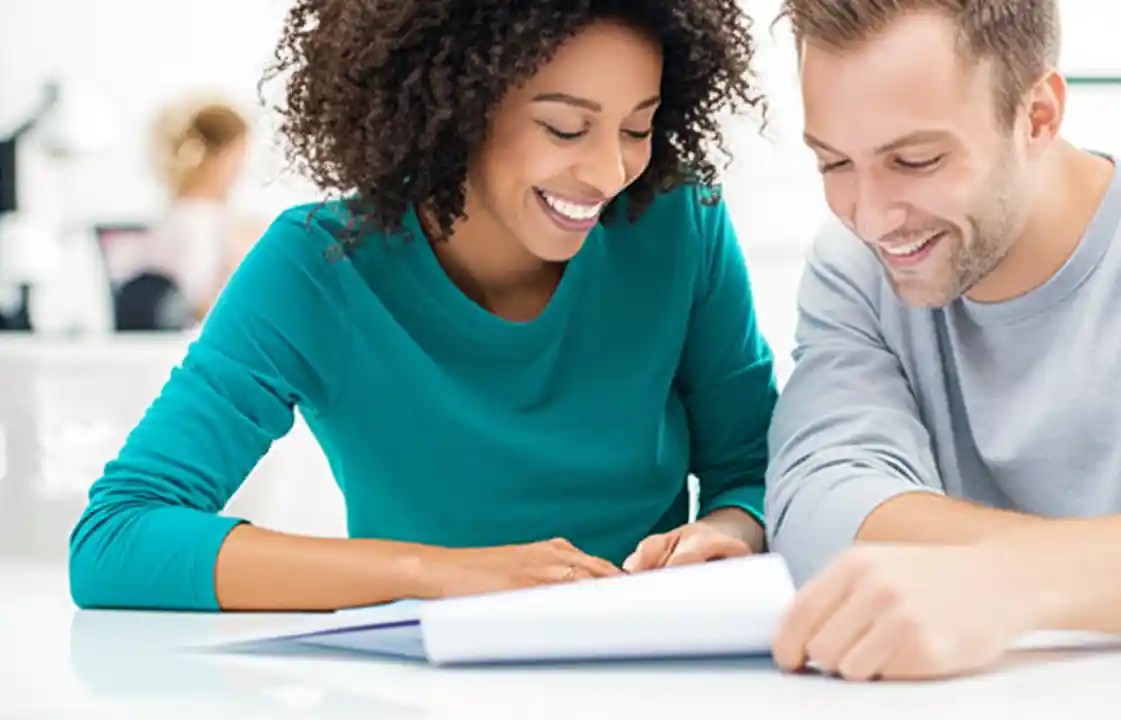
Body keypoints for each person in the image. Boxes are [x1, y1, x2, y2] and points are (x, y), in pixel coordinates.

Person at [69, 0, 776, 611]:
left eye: (636, 129)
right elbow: (118, 536)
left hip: (658, 679)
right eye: (565, 128)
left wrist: (730, 532)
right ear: (458, 109)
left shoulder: (680, 223)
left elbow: (754, 469)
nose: (608, 173)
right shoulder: (319, 267)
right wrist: (438, 574)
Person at [766, 0, 1121, 681]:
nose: (869, 214)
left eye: (915, 160)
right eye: (834, 163)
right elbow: (820, 506)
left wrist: (1006, 583)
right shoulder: (858, 270)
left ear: (1037, 116)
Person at [134, 98, 259, 323]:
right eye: (239, 156)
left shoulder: (178, 216)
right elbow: (201, 304)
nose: (243, 170)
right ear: (221, 158)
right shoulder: (198, 220)